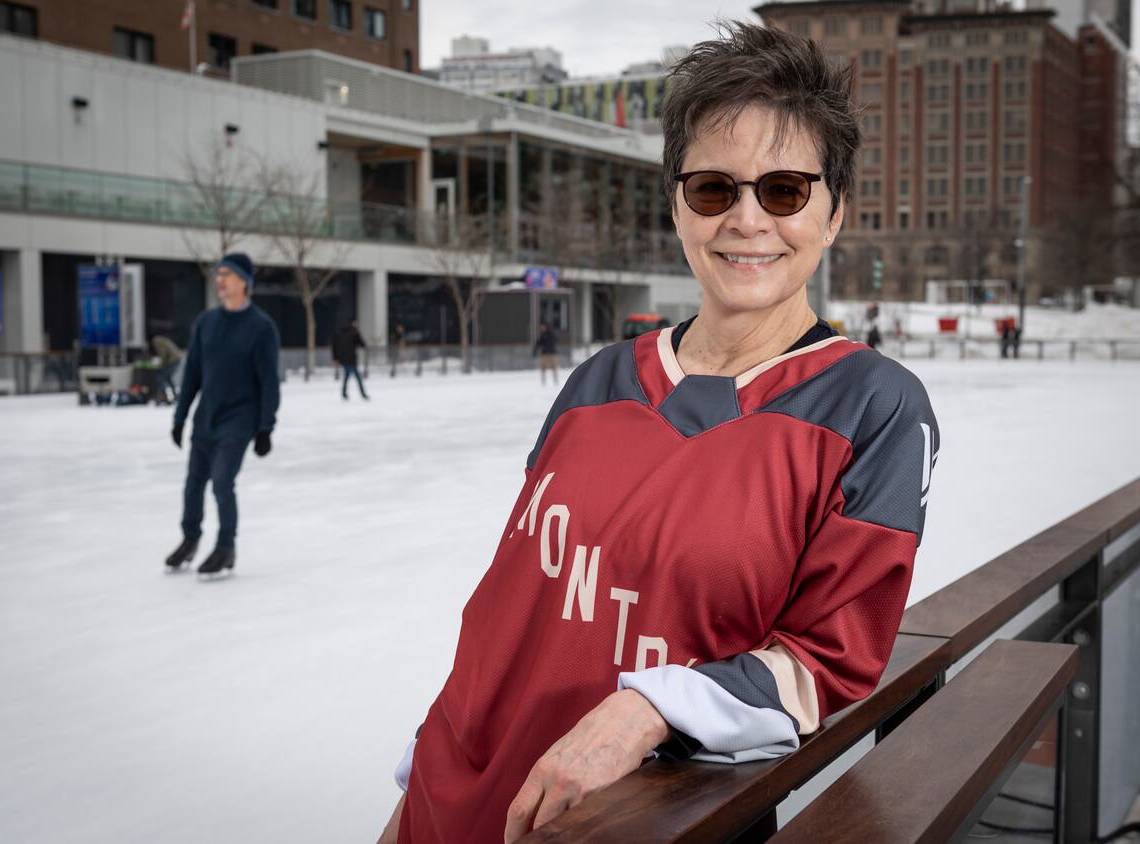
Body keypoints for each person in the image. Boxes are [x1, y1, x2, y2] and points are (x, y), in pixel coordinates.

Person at [381, 23, 940, 843]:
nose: (747, 219)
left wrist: (647, 707)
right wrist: (415, 788)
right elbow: (510, 620)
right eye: (714, 188)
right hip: (460, 804)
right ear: (677, 203)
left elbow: (826, 666)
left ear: (834, 212)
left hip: (639, 821)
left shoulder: (870, 406)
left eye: (784, 190)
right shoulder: (595, 382)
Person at [164, 253, 280, 577]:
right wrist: (180, 417)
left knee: (222, 481)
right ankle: (189, 539)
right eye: (218, 274)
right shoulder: (206, 323)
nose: (220, 280)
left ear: (244, 281)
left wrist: (266, 427)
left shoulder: (261, 328)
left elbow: (270, 382)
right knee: (193, 484)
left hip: (240, 419)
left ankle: (226, 546)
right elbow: (192, 376)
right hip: (207, 417)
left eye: (227, 274)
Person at [332, 319, 368, 400]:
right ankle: (362, 394)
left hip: (342, 359)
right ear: (353, 323)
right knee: (357, 376)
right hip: (351, 358)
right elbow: (361, 343)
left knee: (347, 375)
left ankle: (344, 393)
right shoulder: (354, 332)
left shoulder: (339, 332)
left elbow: (334, 346)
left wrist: (335, 358)